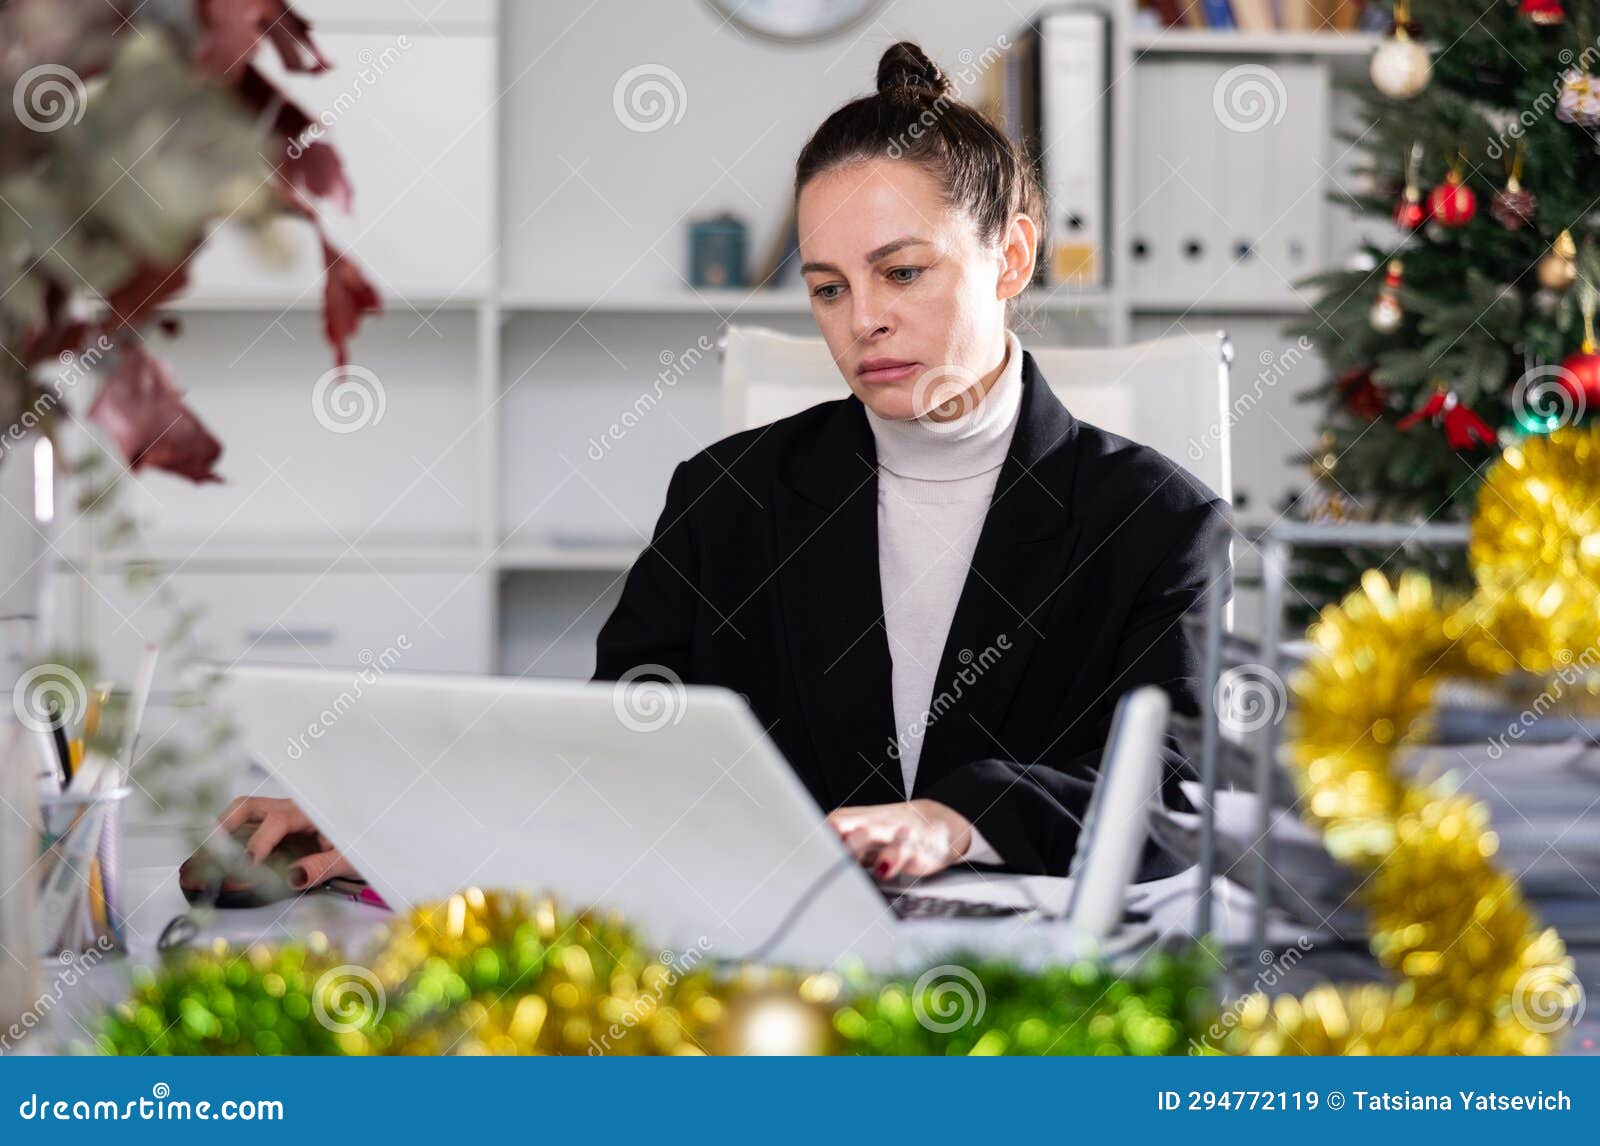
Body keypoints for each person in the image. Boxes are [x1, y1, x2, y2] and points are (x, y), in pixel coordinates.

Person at [221, 41, 1231, 891]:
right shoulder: (727, 495)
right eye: (827, 287)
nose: (862, 319)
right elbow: (625, 750)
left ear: (1011, 259)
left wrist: (955, 823)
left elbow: (1175, 792)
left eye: (902, 272)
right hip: (763, 975)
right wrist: (393, 823)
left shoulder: (1158, 521)